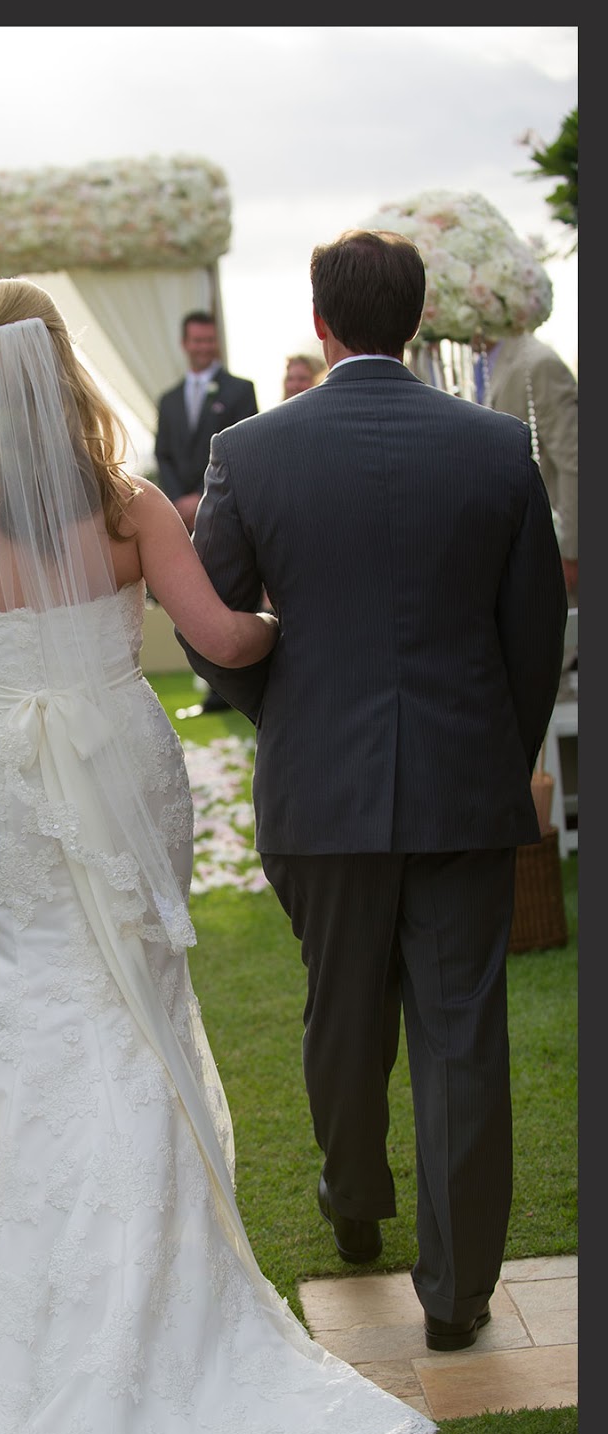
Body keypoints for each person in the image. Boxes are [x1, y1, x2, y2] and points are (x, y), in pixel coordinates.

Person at [0, 278, 435, 1434]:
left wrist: (6, 658)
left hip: (6, 774)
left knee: (24, 1025)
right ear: (67, 366)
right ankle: (166, 1308)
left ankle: (34, 1330)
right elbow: (222, 638)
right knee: (136, 1007)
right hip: (121, 762)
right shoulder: (127, 504)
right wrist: (289, 626)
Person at [178, 229, 567, 1357]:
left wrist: (284, 718)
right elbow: (532, 634)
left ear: (319, 320)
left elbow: (213, 635)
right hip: (462, 783)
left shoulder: (248, 453)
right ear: (416, 318)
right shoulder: (496, 446)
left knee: (338, 1011)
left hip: (319, 788)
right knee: (460, 1037)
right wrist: (496, 752)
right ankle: (453, 1293)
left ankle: (352, 1200)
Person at [155, 310, 259, 716]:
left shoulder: (240, 391)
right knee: (191, 598)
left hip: (224, 509)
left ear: (216, 341)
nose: (202, 347)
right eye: (195, 341)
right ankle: (212, 687)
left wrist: (203, 497)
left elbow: (244, 447)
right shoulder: (168, 399)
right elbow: (163, 453)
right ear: (185, 344)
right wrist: (176, 500)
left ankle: (230, 689)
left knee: (227, 594)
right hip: (179, 517)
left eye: (208, 340)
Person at [482, 331, 578, 599]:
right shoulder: (458, 361)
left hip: (549, 546)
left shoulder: (539, 363)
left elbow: (574, 462)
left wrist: (572, 552)